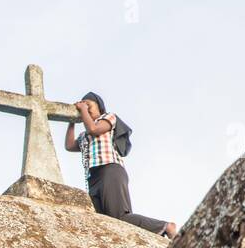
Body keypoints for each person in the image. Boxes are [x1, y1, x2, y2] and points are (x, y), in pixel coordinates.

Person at [65, 92, 177, 238]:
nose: (84, 107)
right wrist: (72, 120)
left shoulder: (108, 118)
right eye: (82, 105)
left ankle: (166, 226)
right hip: (93, 178)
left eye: (88, 104)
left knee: (119, 216)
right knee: (102, 220)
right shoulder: (83, 136)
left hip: (110, 170)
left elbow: (94, 129)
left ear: (99, 107)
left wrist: (83, 110)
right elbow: (69, 145)